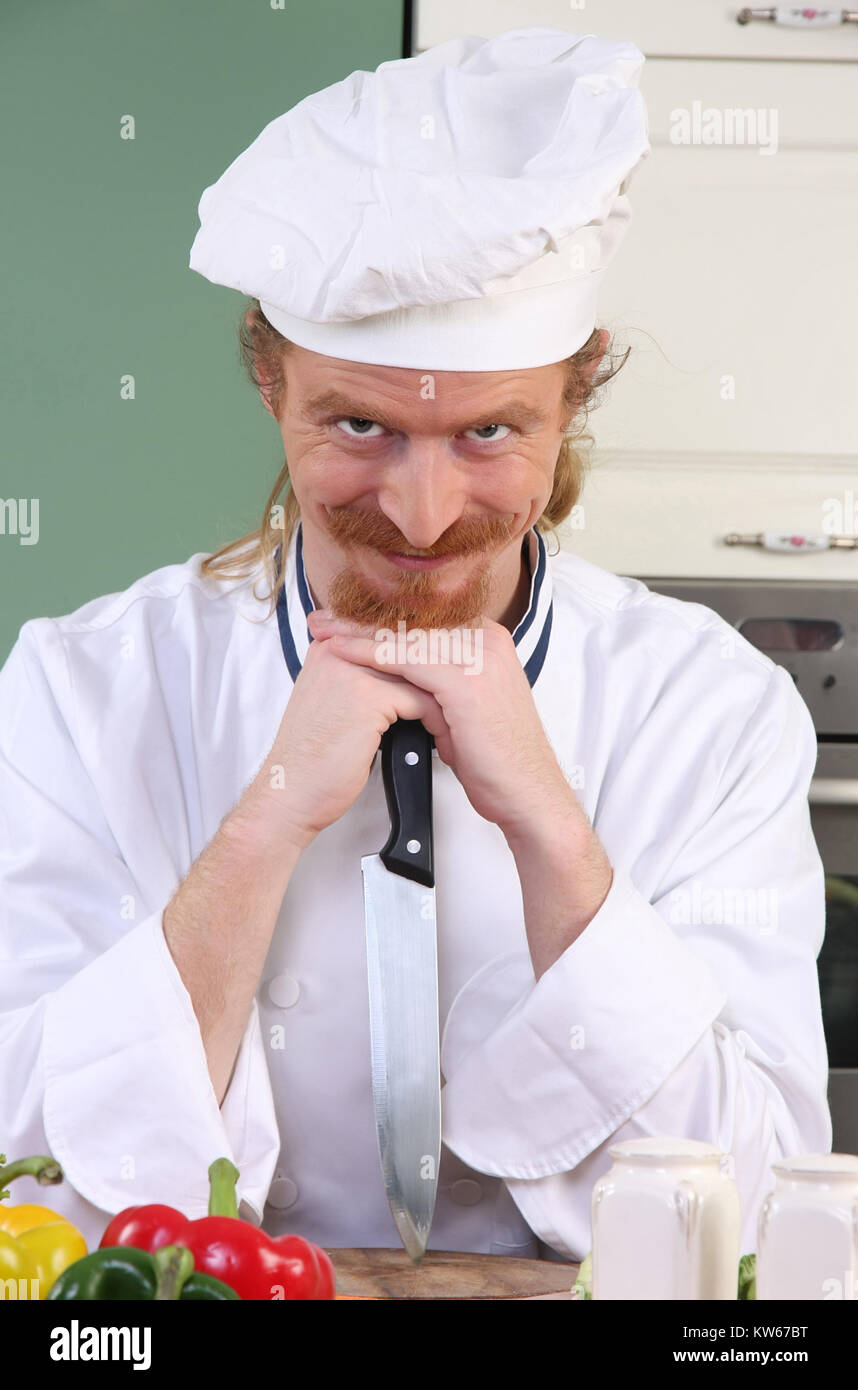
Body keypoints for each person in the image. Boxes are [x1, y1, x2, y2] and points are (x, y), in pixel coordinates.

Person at [0, 27, 830, 1264]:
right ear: (269, 383)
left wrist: (553, 829)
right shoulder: (81, 691)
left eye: (493, 432)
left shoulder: (711, 712)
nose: (424, 514)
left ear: (576, 396)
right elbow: (31, 1174)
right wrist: (265, 824)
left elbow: (770, 1217)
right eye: (359, 424)